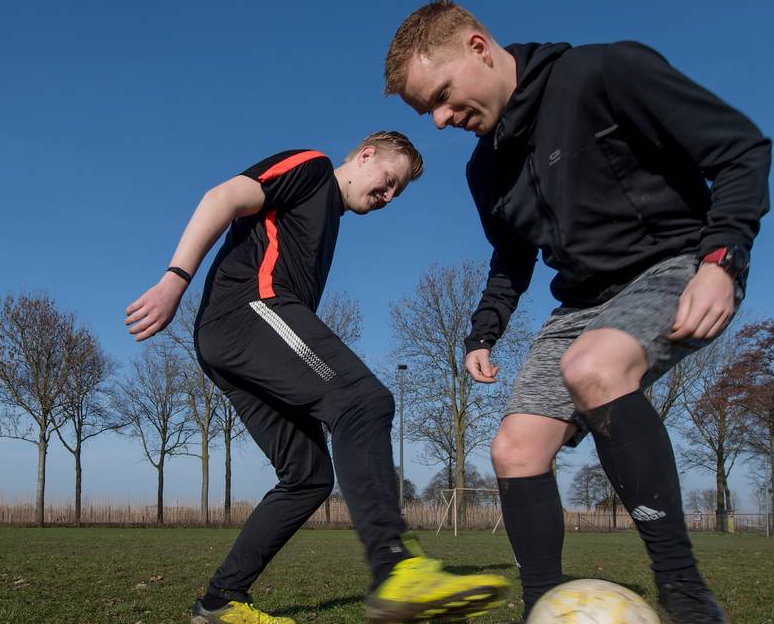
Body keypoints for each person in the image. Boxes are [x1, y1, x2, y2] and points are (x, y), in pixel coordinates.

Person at [383, 0, 771, 623]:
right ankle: (543, 608)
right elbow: (511, 259)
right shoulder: (486, 170)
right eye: (426, 110)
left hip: (673, 265)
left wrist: (721, 260)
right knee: (513, 447)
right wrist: (483, 332)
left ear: (479, 48)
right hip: (580, 304)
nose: (439, 119)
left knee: (594, 366)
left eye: (444, 97)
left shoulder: (603, 73)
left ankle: (685, 593)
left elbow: (740, 150)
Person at [125, 131, 509, 624]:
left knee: (308, 476)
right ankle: (398, 567)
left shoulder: (329, 217)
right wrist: (174, 280)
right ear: (366, 155)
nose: (389, 197)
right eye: (389, 181)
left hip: (232, 338)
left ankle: (219, 602)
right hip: (247, 311)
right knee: (362, 401)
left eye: (397, 194)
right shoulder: (312, 168)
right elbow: (220, 198)